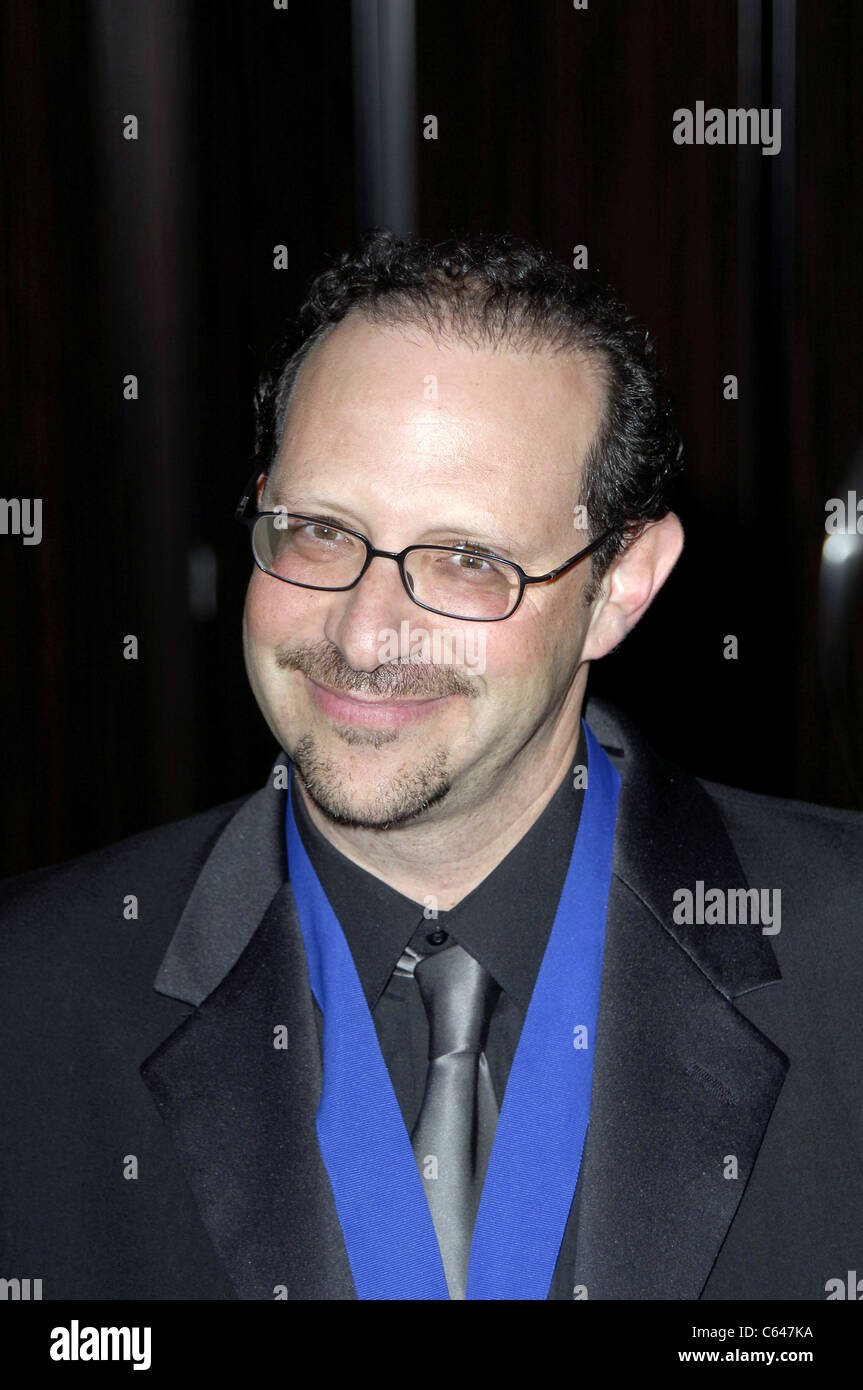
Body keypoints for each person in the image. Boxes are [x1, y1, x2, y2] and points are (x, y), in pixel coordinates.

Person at [1, 230, 861, 1302]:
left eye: (464, 561)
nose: (365, 637)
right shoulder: (28, 1000)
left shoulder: (846, 960)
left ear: (620, 585)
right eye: (318, 530)